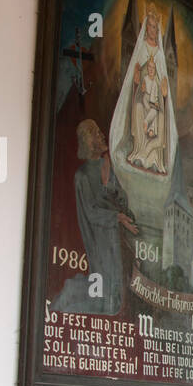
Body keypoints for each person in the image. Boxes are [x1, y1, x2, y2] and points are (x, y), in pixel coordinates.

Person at [52, 118, 139, 315]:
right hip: (99, 241)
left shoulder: (107, 166)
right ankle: (69, 294)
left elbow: (121, 198)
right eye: (97, 134)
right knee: (104, 300)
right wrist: (116, 217)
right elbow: (90, 212)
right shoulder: (82, 176)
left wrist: (110, 182)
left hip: (114, 239)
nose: (101, 136)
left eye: (100, 132)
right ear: (89, 141)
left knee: (115, 300)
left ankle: (70, 294)